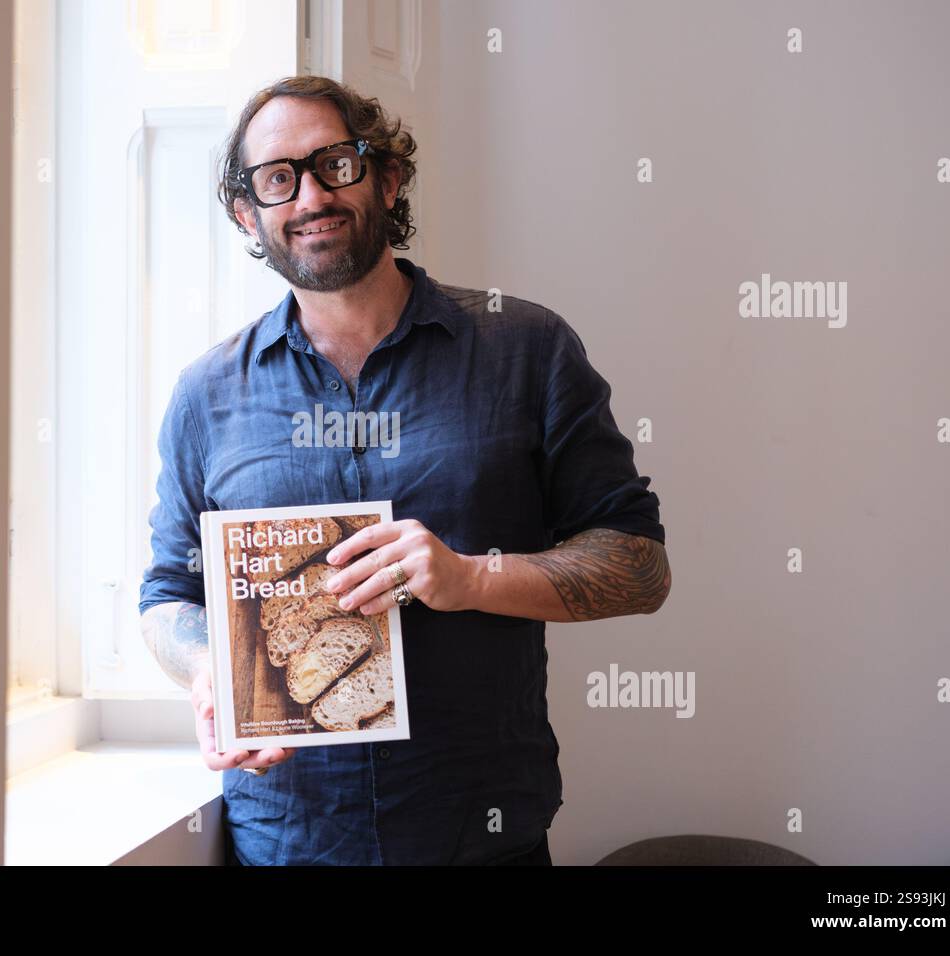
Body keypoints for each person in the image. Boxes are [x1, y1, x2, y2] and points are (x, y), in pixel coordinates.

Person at [139, 75, 671, 866]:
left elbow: (639, 566)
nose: (311, 194)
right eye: (278, 178)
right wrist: (211, 671)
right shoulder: (205, 396)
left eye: (337, 164)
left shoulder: (526, 349)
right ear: (248, 214)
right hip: (288, 839)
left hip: (481, 836)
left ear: (387, 178)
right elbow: (167, 596)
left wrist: (473, 578)